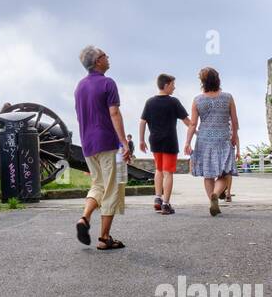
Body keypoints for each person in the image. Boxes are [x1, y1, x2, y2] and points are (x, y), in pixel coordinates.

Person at [73, 45, 131, 250]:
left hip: (88, 144)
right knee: (112, 188)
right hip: (107, 141)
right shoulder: (108, 83)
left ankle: (84, 218)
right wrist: (124, 142)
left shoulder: (79, 87)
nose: (108, 57)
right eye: (105, 55)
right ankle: (104, 237)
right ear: (98, 61)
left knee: (98, 185)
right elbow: (114, 113)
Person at [183, 66, 239, 217]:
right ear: (217, 79)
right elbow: (234, 120)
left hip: (204, 140)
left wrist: (187, 142)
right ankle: (216, 194)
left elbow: (193, 124)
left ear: (202, 82)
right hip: (223, 139)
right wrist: (234, 136)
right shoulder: (228, 97)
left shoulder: (197, 100)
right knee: (225, 173)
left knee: (208, 175)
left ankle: (212, 200)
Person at [138, 73, 190, 215]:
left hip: (154, 140)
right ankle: (166, 204)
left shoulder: (150, 102)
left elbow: (142, 122)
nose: (174, 88)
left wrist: (141, 140)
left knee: (159, 170)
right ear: (166, 85)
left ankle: (157, 198)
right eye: (173, 85)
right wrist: (196, 131)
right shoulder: (173, 102)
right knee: (168, 173)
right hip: (169, 141)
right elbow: (186, 120)